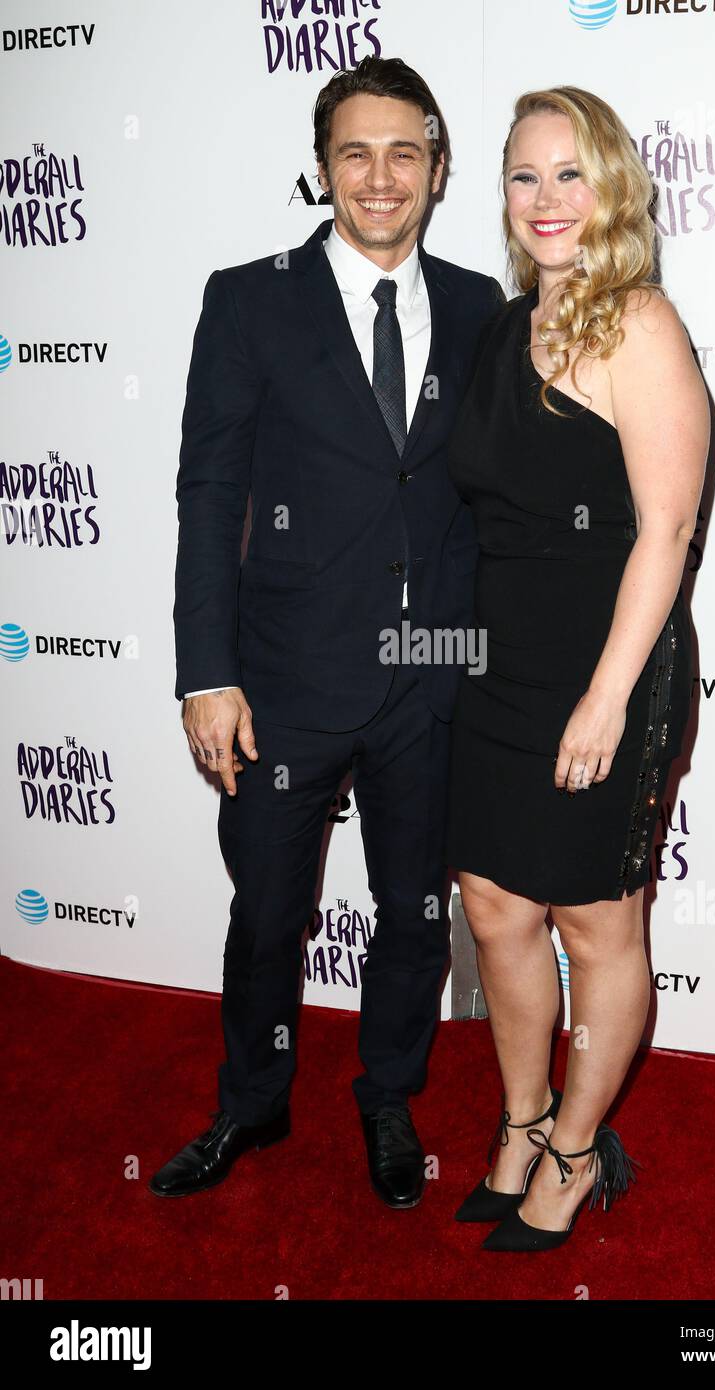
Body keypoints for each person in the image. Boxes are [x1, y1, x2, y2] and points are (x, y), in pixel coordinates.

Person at [150, 56, 504, 1209]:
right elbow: (209, 491)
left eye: (405, 150)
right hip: (284, 675)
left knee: (410, 910)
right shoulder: (248, 299)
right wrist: (205, 673)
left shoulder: (477, 306)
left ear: (438, 168)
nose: (379, 175)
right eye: (354, 152)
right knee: (266, 912)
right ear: (320, 169)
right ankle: (251, 1100)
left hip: (428, 674)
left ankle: (387, 1094)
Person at [445, 86, 710, 1250]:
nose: (543, 200)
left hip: (608, 665)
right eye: (521, 175)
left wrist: (606, 698)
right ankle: (519, 1117)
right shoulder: (503, 330)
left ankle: (574, 1148)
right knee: (495, 904)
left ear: (609, 188)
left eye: (567, 173)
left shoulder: (637, 324)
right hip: (499, 664)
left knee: (596, 924)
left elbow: (664, 532)